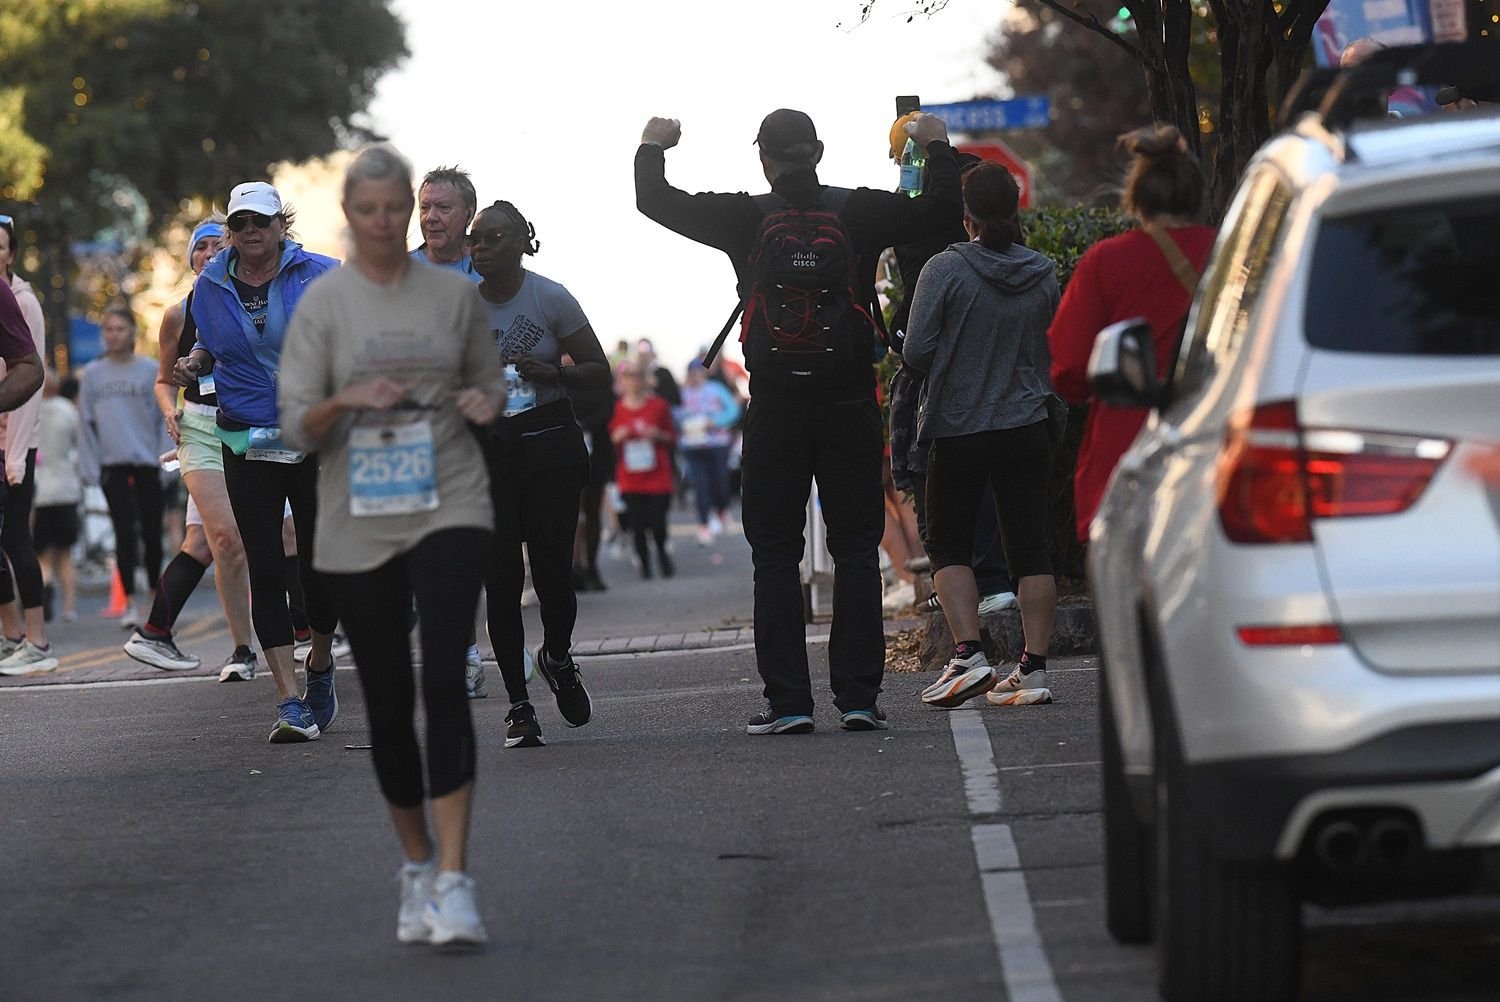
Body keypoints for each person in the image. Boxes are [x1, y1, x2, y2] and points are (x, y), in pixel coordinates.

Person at [635, 108, 962, 734]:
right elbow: (942, 211)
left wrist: (654, 143)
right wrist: (937, 145)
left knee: (775, 555)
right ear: (817, 152)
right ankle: (860, 697)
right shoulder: (859, 211)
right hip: (847, 404)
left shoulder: (744, 216)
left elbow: (656, 200)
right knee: (857, 550)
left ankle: (789, 703)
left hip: (777, 408)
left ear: (766, 159)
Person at [280, 143, 504, 948]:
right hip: (357, 515)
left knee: (444, 679)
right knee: (387, 699)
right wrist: (346, 399)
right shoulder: (324, 305)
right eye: (366, 210)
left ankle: (454, 879)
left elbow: (491, 379)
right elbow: (292, 420)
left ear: (411, 209)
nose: (382, 223)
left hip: (450, 499)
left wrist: (483, 398)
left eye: (394, 209)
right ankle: (415, 864)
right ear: (349, 214)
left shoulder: (454, 296)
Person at [176, 180, 341, 742]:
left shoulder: (321, 274)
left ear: (281, 226)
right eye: (240, 224)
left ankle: (320, 663)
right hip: (245, 438)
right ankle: (289, 700)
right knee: (265, 566)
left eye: (261, 224)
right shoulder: (210, 283)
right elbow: (206, 344)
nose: (250, 234)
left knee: (319, 571)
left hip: (311, 435)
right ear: (231, 230)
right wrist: (194, 363)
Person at [902, 162, 1062, 709]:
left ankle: (968, 654)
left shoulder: (944, 269)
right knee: (1031, 548)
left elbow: (916, 351)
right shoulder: (1044, 271)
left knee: (948, 542)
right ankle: (1034, 669)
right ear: (1014, 210)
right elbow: (1054, 346)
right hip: (1027, 424)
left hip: (959, 425)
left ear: (965, 216)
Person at [468, 200, 611, 748]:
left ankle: (557, 655)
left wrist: (553, 372)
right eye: (475, 240)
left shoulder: (550, 296)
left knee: (553, 573)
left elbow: (599, 371)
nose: (480, 248)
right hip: (489, 450)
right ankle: (519, 705)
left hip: (549, 443)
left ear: (523, 241)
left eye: (493, 238)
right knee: (500, 580)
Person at [1048, 124, 1216, 543]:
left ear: (1136, 197)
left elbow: (1068, 370)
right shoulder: (1234, 253)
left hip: (1130, 455)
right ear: (1196, 195)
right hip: (1222, 442)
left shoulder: (1106, 262)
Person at [123, 217, 258, 677]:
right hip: (200, 428)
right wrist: (168, 410)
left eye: (217, 246)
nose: (207, 254)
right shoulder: (178, 314)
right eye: (201, 247)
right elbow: (164, 381)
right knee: (226, 539)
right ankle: (243, 649)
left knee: (211, 541)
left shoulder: (257, 302)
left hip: (255, 428)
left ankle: (155, 632)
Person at [78, 307, 171, 630]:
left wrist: (164, 460)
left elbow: (164, 419)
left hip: (148, 463)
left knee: (152, 532)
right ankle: (130, 601)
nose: (114, 334)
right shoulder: (92, 374)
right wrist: (90, 468)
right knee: (123, 534)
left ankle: (154, 598)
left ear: (132, 332)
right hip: (112, 466)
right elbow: (85, 425)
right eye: (109, 329)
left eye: (120, 328)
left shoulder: (149, 370)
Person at [0, 215, 55, 672]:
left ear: (11, 253)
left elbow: (30, 379)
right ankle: (11, 635)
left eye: (0, 246)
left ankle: (36, 642)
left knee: (17, 539)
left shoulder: (24, 303)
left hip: (17, 443)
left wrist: (15, 453)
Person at [610, 362, 676, 577]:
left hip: (657, 475)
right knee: (637, 525)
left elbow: (672, 437)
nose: (633, 381)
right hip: (630, 477)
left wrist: (657, 435)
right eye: (627, 376)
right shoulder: (616, 408)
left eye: (637, 376)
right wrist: (618, 437)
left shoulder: (659, 406)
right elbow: (610, 438)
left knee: (657, 522)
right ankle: (645, 566)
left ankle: (663, 556)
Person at [31, 368, 82, 625]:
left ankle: (45, 589)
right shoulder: (68, 410)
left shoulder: (30, 412)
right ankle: (69, 608)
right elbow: (80, 448)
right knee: (65, 554)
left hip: (39, 493)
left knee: (42, 556)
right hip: (65, 489)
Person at [676, 359, 739, 545]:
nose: (694, 376)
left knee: (720, 480)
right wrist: (684, 424)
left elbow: (733, 410)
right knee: (700, 484)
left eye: (697, 372)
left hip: (717, 443)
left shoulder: (716, 389)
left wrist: (716, 422)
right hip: (693, 445)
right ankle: (703, 523)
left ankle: (722, 508)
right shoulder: (682, 392)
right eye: (691, 372)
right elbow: (674, 413)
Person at [412, 165, 480, 279]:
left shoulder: (489, 271)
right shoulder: (399, 272)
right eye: (425, 207)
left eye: (443, 207)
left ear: (469, 213)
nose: (430, 217)